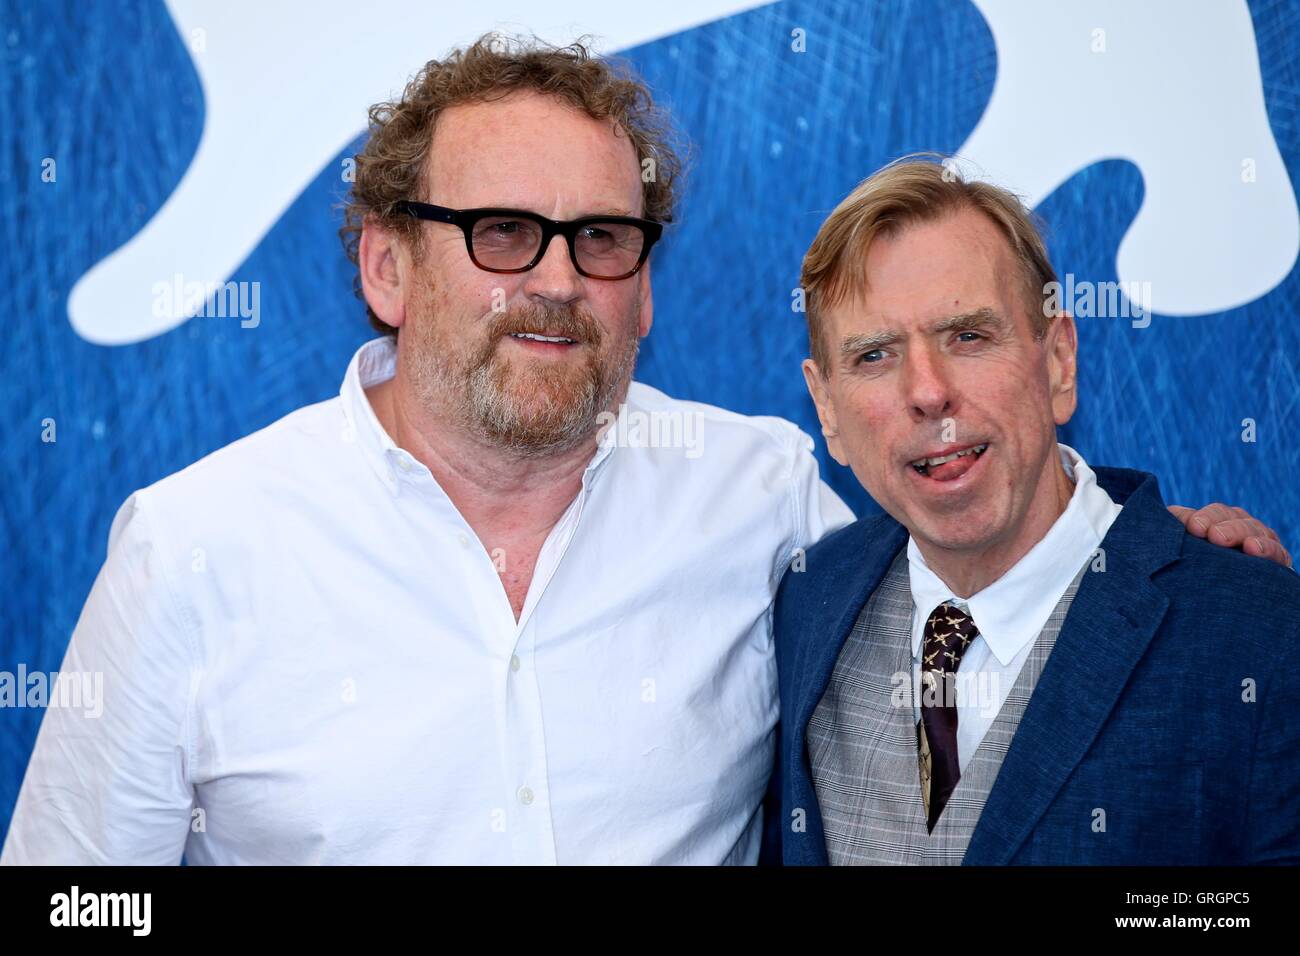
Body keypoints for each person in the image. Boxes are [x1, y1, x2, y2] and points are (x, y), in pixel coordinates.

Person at [2, 39, 1285, 866]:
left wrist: (1154, 557)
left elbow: (984, 570)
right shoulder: (197, 548)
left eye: (602, 238)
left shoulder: (762, 491)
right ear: (386, 265)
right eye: (501, 231)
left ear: (645, 290)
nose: (557, 281)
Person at [761, 156, 1299, 865]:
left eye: (968, 336)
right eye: (875, 356)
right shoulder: (808, 597)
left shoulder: (1262, 636)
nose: (928, 392)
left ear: (1058, 363)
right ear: (826, 408)